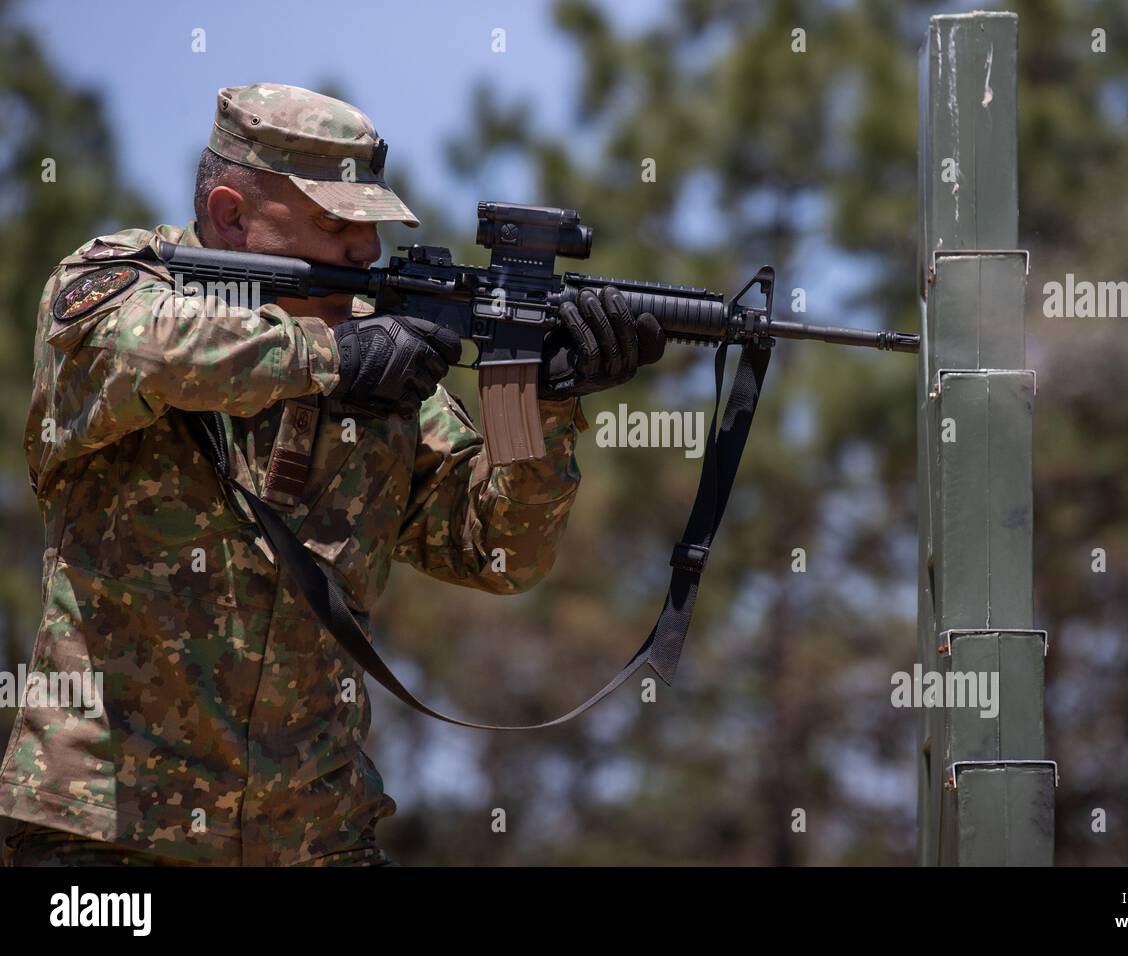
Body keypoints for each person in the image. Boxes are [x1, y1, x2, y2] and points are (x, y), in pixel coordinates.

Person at [0, 83, 664, 866]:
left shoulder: (381, 375)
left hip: (316, 839)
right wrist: (330, 359)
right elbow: (143, 348)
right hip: (106, 831)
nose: (363, 252)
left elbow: (497, 553)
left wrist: (547, 405)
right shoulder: (120, 286)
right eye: (333, 223)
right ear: (229, 214)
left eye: (370, 228)